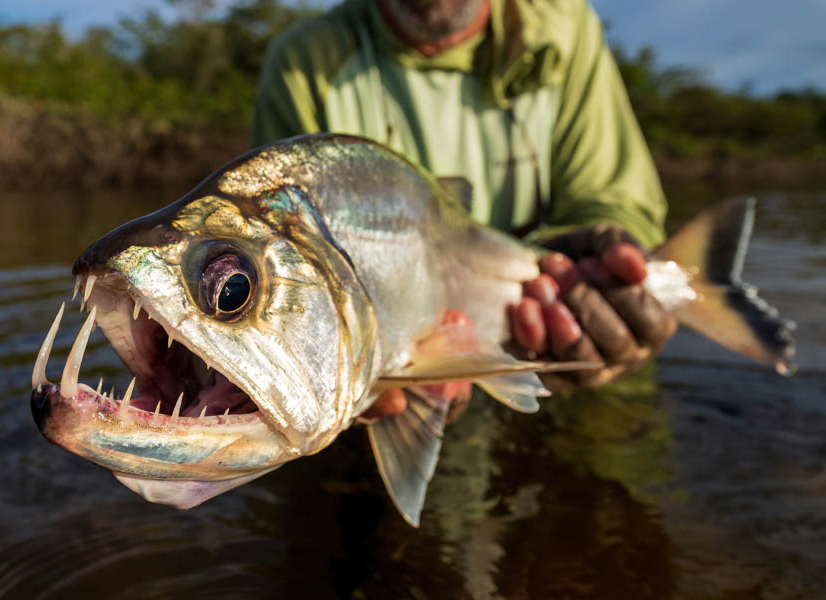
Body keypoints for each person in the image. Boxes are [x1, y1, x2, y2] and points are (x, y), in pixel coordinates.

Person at [252, 0, 676, 416]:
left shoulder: (565, 27)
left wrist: (603, 265)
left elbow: (614, 200)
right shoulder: (303, 61)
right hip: (382, 367)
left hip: (550, 342)